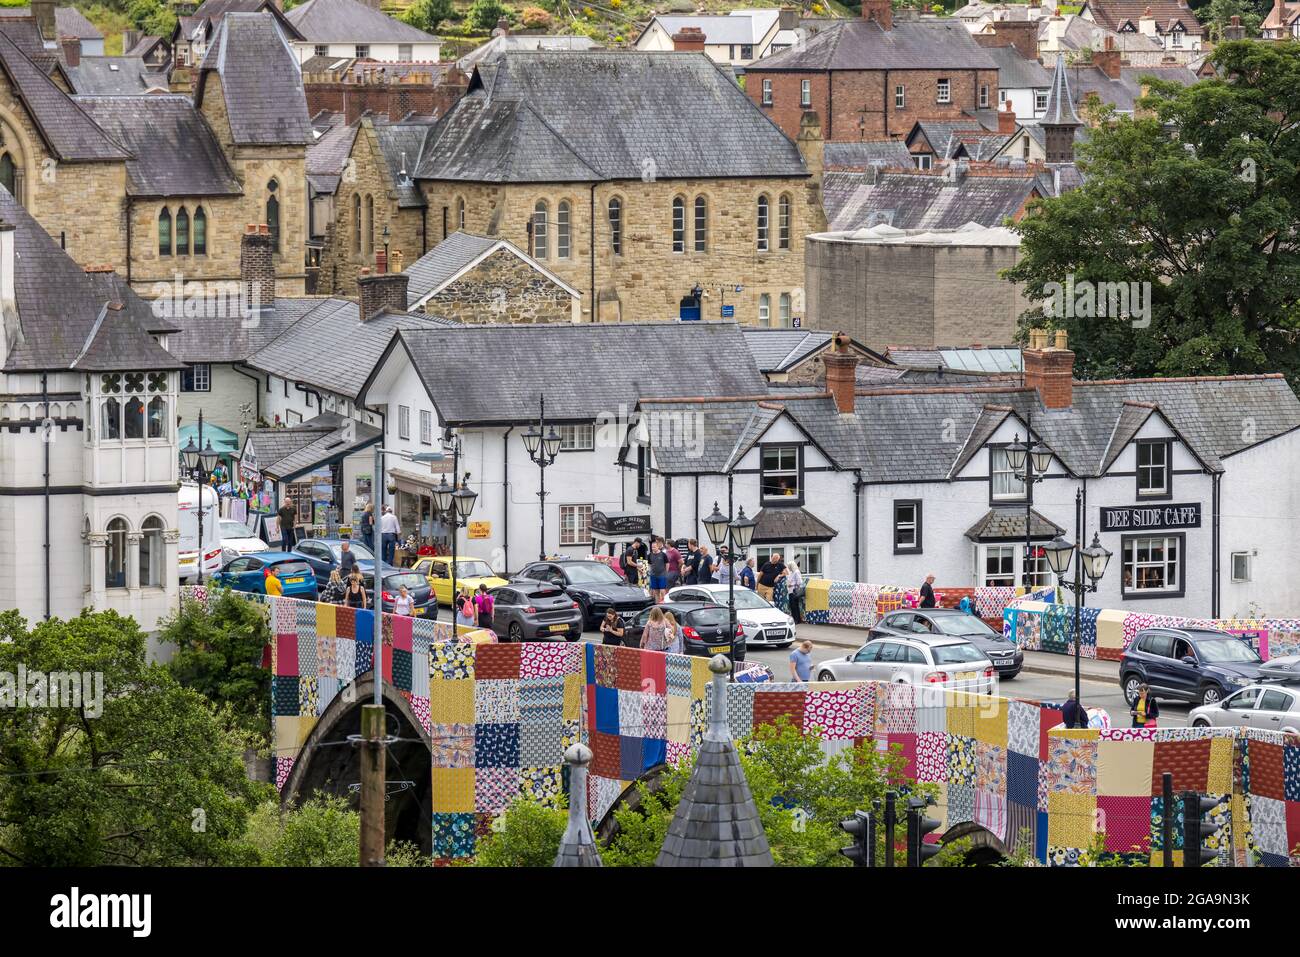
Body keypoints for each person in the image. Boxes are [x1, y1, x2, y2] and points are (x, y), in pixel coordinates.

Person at [786, 557, 805, 624]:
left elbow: (800, 582)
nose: (788, 568)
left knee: (794, 606)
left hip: (794, 591)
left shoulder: (796, 572)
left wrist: (792, 584)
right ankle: (796, 619)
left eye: (789, 566)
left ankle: (797, 620)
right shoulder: (792, 572)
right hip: (790, 591)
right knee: (793, 606)